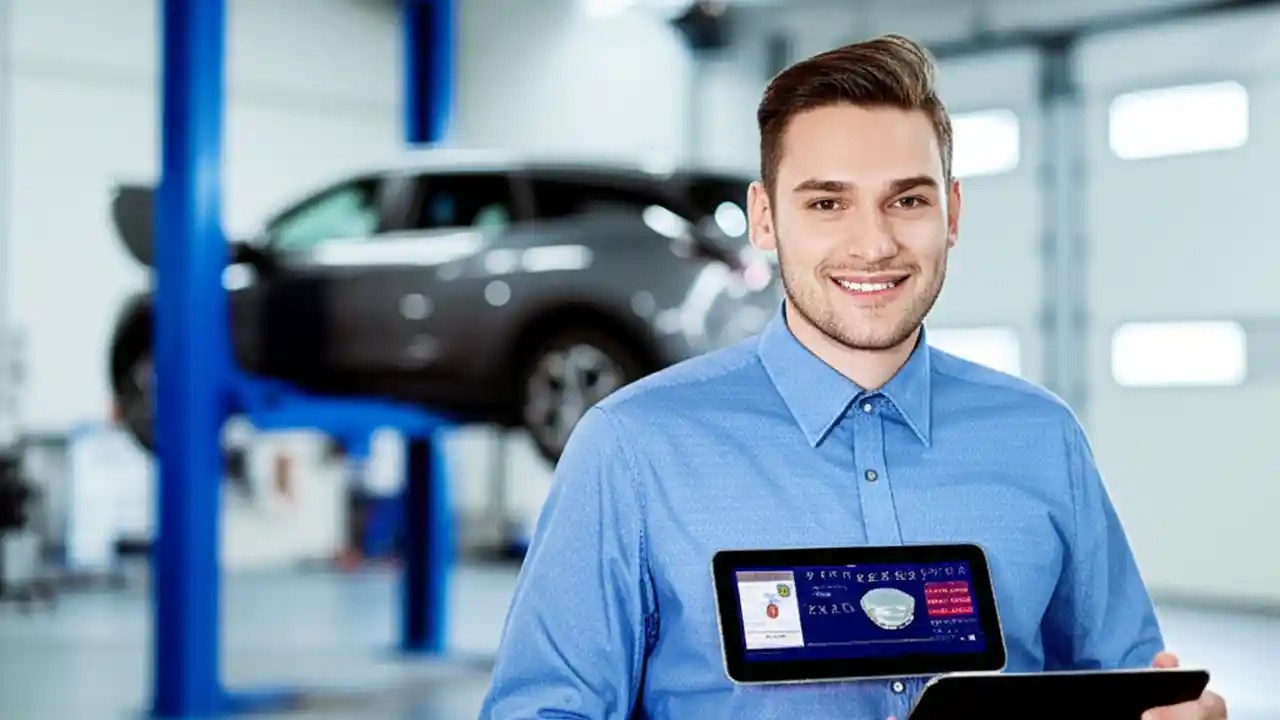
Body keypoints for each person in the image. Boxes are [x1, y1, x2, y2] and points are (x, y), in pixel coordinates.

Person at [479, 34, 1228, 719]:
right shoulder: (633, 449)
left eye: (907, 199)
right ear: (766, 218)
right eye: (828, 202)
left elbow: (1125, 683)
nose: (873, 243)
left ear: (953, 213)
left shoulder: (1041, 438)